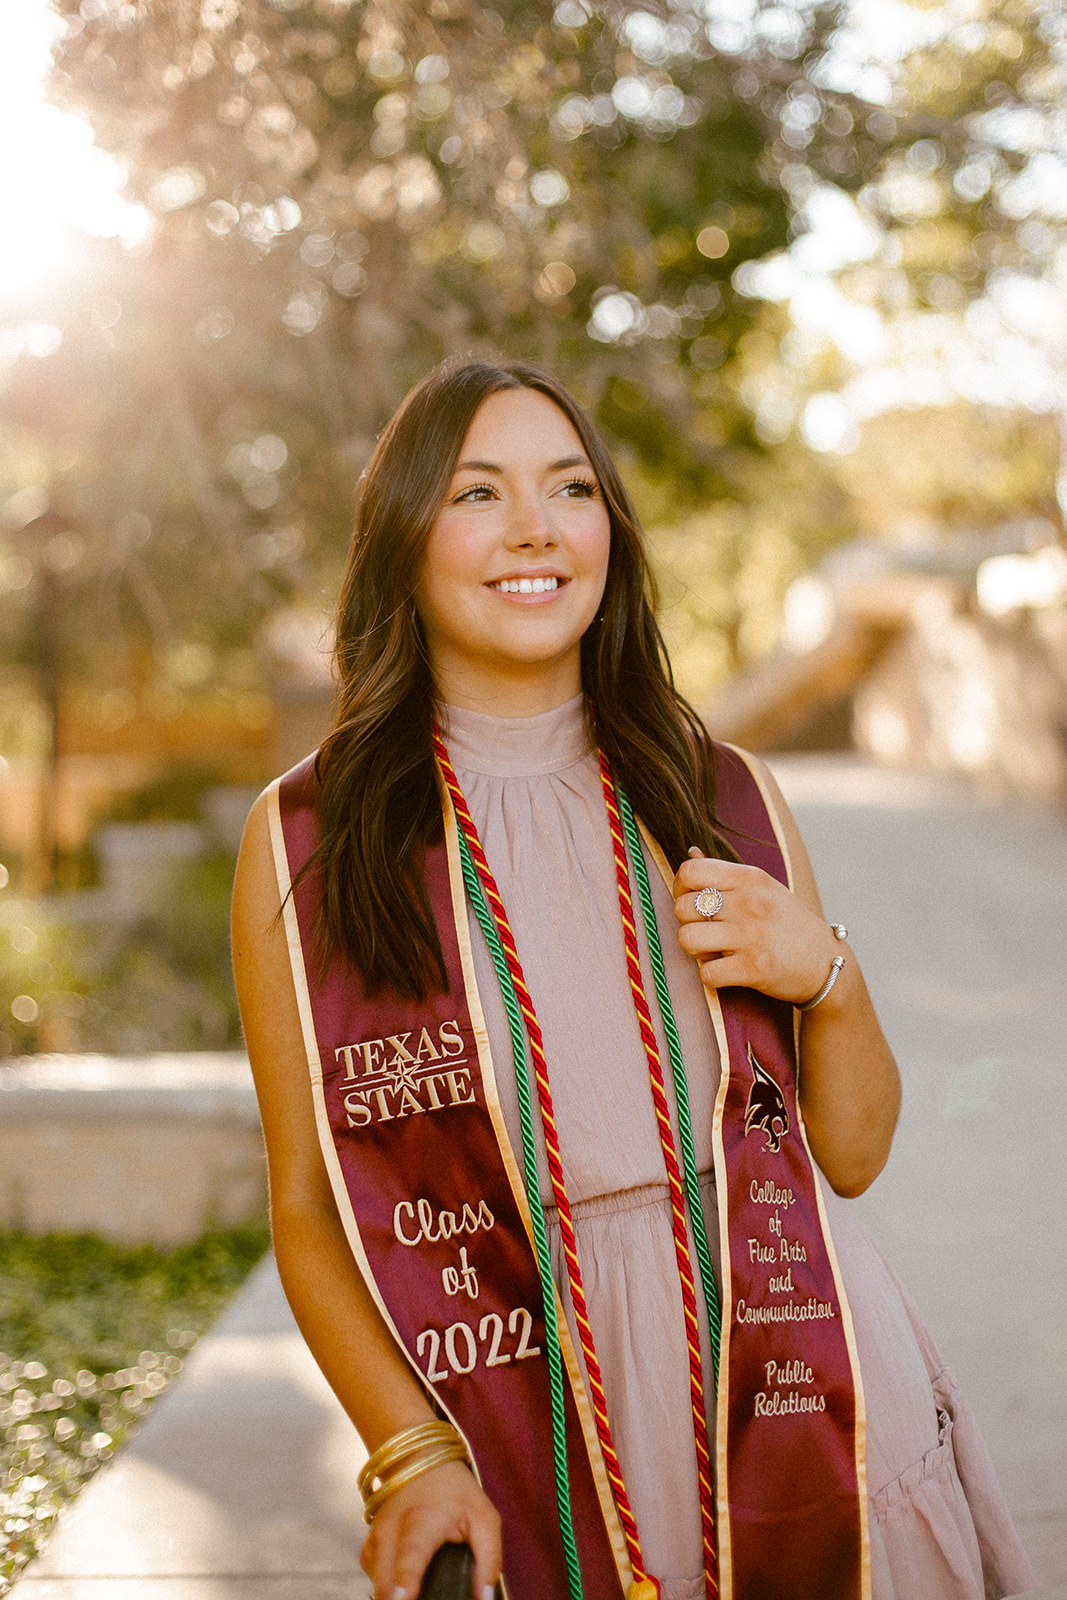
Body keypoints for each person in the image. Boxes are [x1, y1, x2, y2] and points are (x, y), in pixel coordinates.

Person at [231, 359, 1035, 1600]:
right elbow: (306, 1211)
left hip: (788, 1365)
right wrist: (409, 1447)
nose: (535, 530)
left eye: (570, 489)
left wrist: (824, 975)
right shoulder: (312, 842)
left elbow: (854, 1155)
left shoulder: (718, 794)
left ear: (610, 526)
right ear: (402, 540)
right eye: (476, 494)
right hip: (525, 1387)